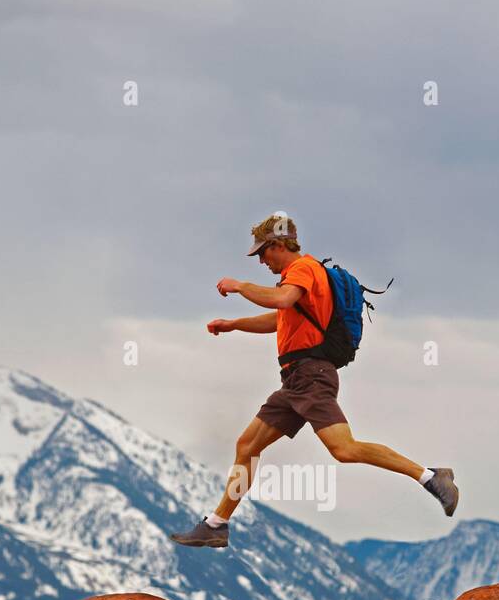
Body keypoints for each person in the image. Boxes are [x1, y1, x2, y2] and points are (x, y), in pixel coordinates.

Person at [171, 213, 458, 547]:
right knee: (247, 446)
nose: (261, 260)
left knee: (344, 449)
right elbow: (280, 318)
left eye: (262, 252)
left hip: (312, 376)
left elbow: (281, 301)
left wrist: (240, 286)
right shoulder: (297, 280)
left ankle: (430, 476)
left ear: (278, 245)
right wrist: (235, 324)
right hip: (294, 381)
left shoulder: (303, 270)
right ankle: (216, 525)